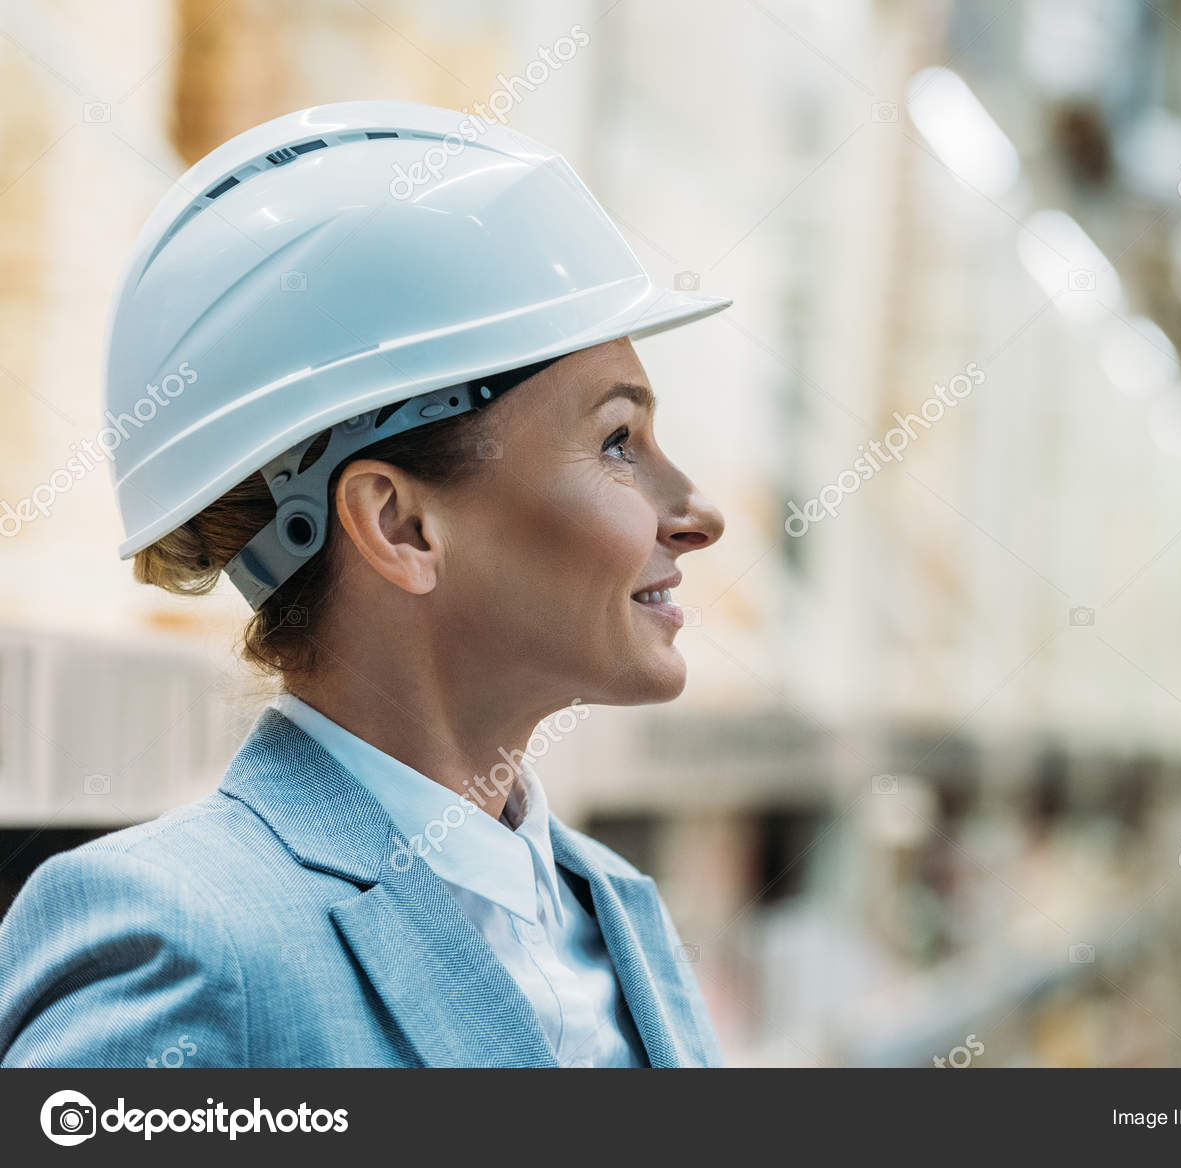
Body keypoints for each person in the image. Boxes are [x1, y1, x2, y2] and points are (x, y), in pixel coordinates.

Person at [0, 101, 729, 1067]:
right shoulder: (178, 941)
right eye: (615, 441)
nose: (697, 511)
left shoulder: (622, 915)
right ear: (400, 525)